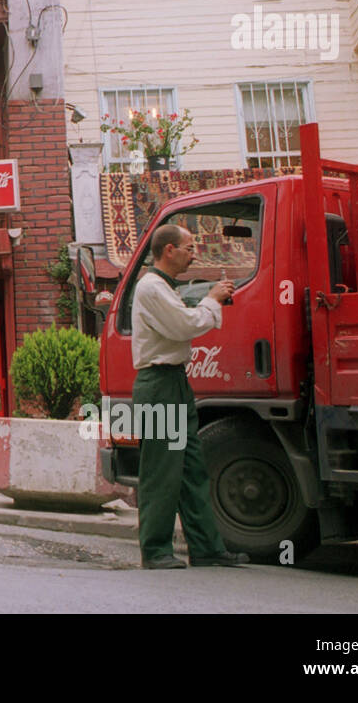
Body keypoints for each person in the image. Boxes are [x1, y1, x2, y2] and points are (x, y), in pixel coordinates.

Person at [131, 223, 249, 569]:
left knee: (191, 469)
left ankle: (207, 548)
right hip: (159, 384)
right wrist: (212, 300)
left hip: (172, 382)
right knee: (161, 471)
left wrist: (209, 299)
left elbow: (184, 318)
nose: (193, 253)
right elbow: (183, 326)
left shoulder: (163, 287)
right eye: (188, 246)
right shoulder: (152, 288)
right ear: (169, 251)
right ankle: (155, 551)